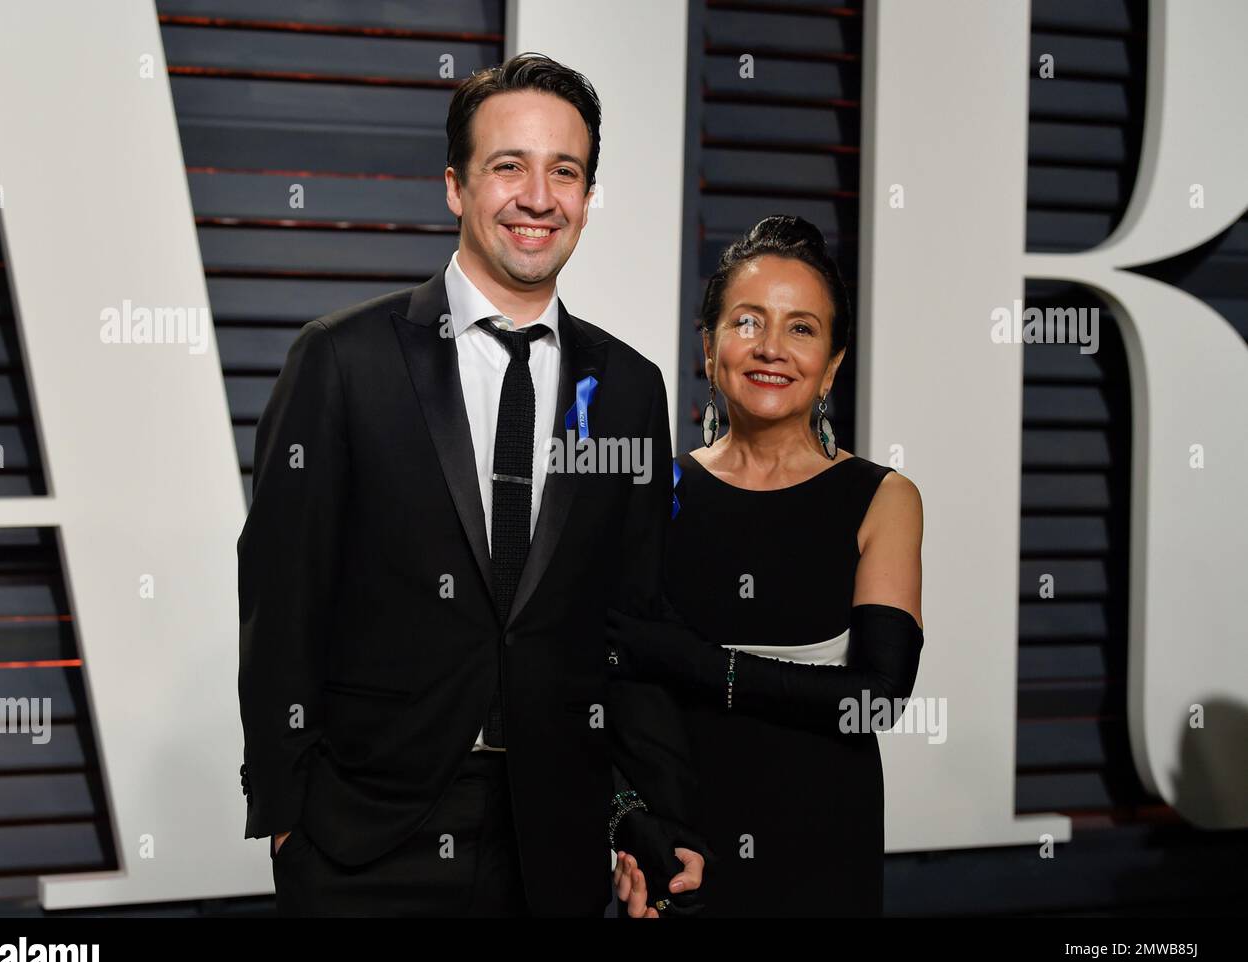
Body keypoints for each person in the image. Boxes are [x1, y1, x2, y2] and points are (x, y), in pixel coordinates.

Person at [237, 53, 707, 917]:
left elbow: (635, 619)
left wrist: (648, 810)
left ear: (586, 195)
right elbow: (282, 594)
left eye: (564, 171)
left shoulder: (632, 387)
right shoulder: (343, 360)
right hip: (363, 836)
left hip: (555, 837)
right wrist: (285, 813)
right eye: (509, 166)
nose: (538, 196)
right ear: (455, 187)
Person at [608, 215, 924, 917]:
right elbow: (606, 684)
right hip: (681, 850)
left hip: (821, 846)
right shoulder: (653, 492)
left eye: (802, 328)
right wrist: (631, 825)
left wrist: (699, 664)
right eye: (747, 322)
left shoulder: (883, 498)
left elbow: (877, 694)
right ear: (709, 345)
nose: (771, 348)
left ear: (833, 364)